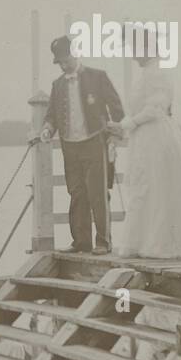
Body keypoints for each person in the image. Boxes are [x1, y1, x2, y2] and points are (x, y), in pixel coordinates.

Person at [109, 38, 181, 260]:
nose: (133, 55)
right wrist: (123, 126)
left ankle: (159, 244)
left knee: (157, 186)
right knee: (144, 186)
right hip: (143, 138)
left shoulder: (158, 74)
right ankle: (141, 241)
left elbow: (155, 109)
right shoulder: (145, 75)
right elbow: (139, 109)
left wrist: (128, 124)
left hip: (156, 137)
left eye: (136, 50)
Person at [39, 35, 124, 255]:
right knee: (76, 193)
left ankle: (103, 241)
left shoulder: (98, 76)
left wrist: (114, 133)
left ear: (75, 54)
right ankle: (81, 241)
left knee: (97, 192)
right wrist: (47, 129)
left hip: (95, 142)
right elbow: (51, 116)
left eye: (66, 59)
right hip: (70, 146)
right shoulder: (57, 85)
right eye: (59, 62)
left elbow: (117, 109)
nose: (63, 65)